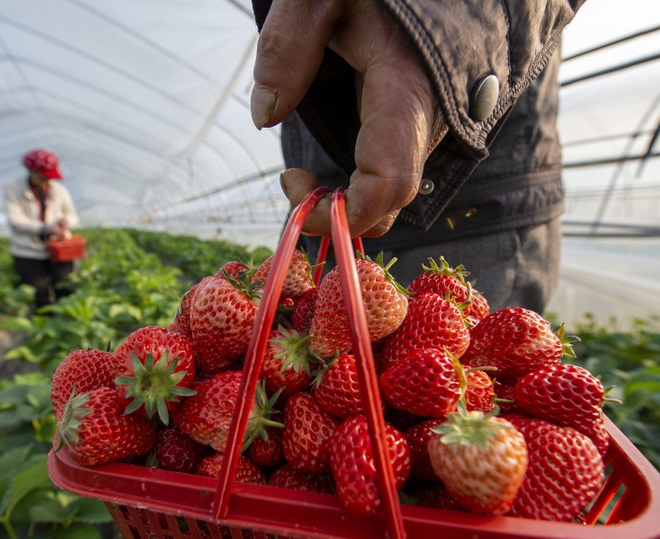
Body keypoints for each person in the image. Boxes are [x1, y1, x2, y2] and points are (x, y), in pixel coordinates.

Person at [250, 0, 585, 313]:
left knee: (450, 360)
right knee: (321, 352)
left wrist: (434, 30)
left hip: (467, 212)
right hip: (321, 205)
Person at [5, 149, 81, 310]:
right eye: (43, 176)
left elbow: (73, 216)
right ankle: (45, 325)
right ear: (31, 171)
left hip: (60, 249)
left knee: (64, 287)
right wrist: (44, 228)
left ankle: (65, 320)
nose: (47, 180)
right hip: (28, 251)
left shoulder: (59, 190)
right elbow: (15, 220)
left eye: (49, 177)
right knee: (38, 292)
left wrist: (65, 222)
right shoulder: (14, 189)